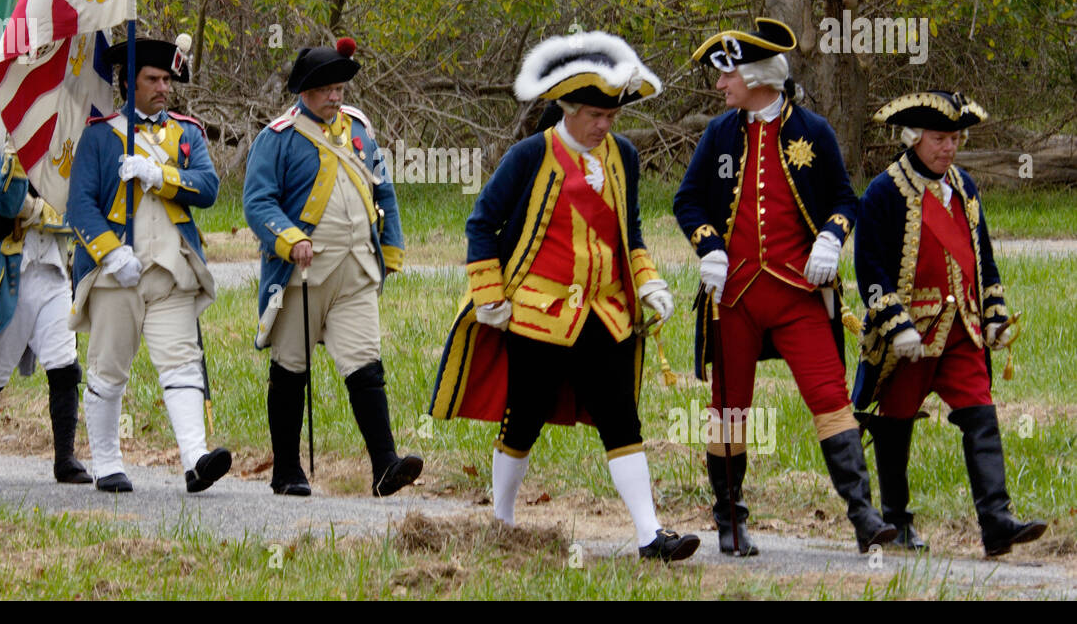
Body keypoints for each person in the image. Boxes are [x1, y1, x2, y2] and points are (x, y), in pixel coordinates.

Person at [430, 31, 699, 562]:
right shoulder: (529, 156)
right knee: (524, 416)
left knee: (622, 417)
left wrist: (648, 281)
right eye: (597, 116)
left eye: (613, 117)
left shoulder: (622, 155)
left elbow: (631, 231)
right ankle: (502, 521)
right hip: (538, 312)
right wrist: (488, 294)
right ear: (568, 108)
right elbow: (482, 223)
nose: (606, 126)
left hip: (607, 312)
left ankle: (650, 535)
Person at [673, 18, 895, 555]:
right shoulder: (719, 134)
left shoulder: (813, 131)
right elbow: (688, 201)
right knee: (729, 407)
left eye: (726, 76)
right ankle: (730, 521)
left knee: (830, 397)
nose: (719, 87)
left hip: (798, 294)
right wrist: (709, 248)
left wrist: (830, 238)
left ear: (755, 76)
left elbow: (846, 201)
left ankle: (865, 517)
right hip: (735, 298)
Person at [854, 91, 1047, 556]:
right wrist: (896, 325)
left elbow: (984, 258)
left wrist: (996, 315)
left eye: (956, 139)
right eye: (940, 138)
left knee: (981, 415)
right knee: (895, 426)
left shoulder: (964, 187)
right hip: (909, 337)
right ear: (914, 138)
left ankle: (996, 522)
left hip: (962, 328)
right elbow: (870, 270)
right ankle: (896, 521)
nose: (950, 148)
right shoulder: (882, 192)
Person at [244, 37, 421, 497]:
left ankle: (385, 465)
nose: (335, 96)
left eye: (339, 88)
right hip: (302, 272)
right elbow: (257, 201)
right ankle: (285, 470)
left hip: (357, 268)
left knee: (366, 365)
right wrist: (290, 238)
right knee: (290, 369)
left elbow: (383, 191)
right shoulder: (277, 138)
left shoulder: (359, 129)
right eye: (326, 89)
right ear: (304, 91)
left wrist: (392, 249)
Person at [66, 38, 230, 494]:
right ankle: (106, 461)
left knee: (181, 363)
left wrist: (161, 176)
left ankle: (195, 458)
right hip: (116, 271)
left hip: (171, 268)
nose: (163, 88)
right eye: (152, 80)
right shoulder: (100, 135)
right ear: (127, 83)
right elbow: (79, 205)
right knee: (108, 368)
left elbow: (209, 187)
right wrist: (111, 252)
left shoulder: (187, 132)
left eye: (166, 80)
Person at [0, 147, 91, 483]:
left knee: (64, 365)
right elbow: (6, 203)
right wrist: (19, 157)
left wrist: (41, 211)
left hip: (53, 273)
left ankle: (65, 458)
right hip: (8, 277)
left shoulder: (63, 146)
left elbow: (76, 212)